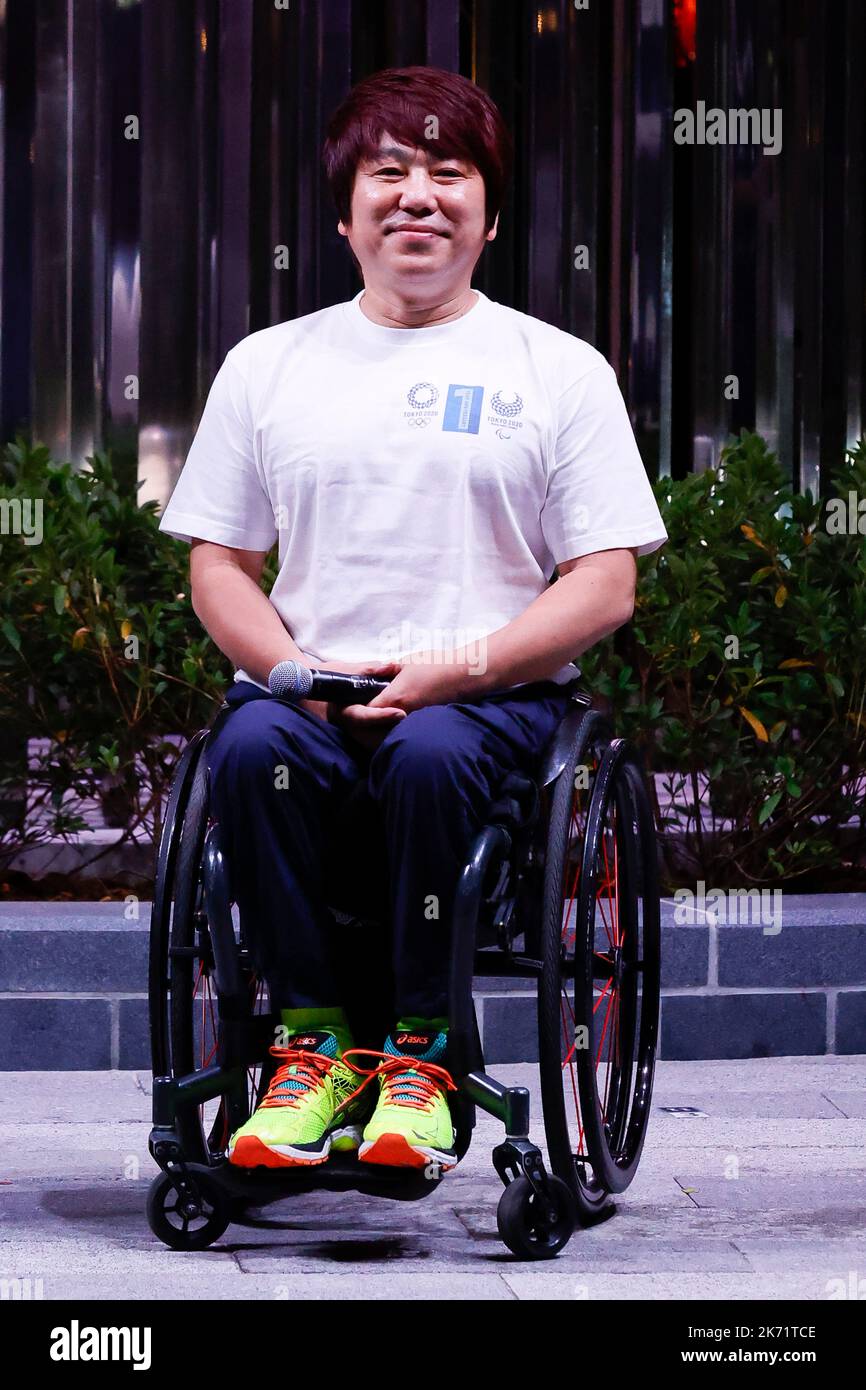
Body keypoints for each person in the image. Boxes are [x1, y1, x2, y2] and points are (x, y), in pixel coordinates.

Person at [157, 65, 668, 1175]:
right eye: (386, 174)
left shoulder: (556, 370)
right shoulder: (268, 364)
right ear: (343, 215)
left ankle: (423, 1062)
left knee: (430, 755)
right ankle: (312, 1051)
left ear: (488, 213)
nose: (417, 196)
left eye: (448, 173)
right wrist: (287, 670)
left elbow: (604, 583)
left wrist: (458, 668)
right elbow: (219, 565)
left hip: (486, 703)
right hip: (306, 696)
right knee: (244, 746)